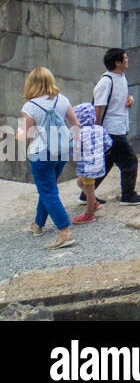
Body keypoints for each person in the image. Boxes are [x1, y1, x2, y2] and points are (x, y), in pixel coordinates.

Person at [21, 67, 78, 248]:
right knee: (48, 189)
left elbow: (28, 135)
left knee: (48, 192)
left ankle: (65, 231)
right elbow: (75, 124)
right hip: (62, 151)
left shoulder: (30, 107)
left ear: (31, 84)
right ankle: (38, 225)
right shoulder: (62, 99)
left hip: (41, 153)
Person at [92, 49, 140, 206]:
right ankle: (128, 195)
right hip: (111, 128)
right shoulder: (106, 81)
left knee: (108, 161)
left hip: (119, 125)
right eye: (125, 58)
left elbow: (120, 98)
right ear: (117, 62)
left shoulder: (121, 78)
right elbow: (99, 107)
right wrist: (98, 130)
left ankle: (86, 193)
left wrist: (130, 99)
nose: (127, 60)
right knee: (130, 161)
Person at [70, 101, 107, 225]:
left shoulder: (78, 133)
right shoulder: (99, 129)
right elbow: (108, 143)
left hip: (87, 166)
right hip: (98, 163)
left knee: (89, 189)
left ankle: (89, 214)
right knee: (80, 182)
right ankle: (94, 203)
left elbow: (74, 149)